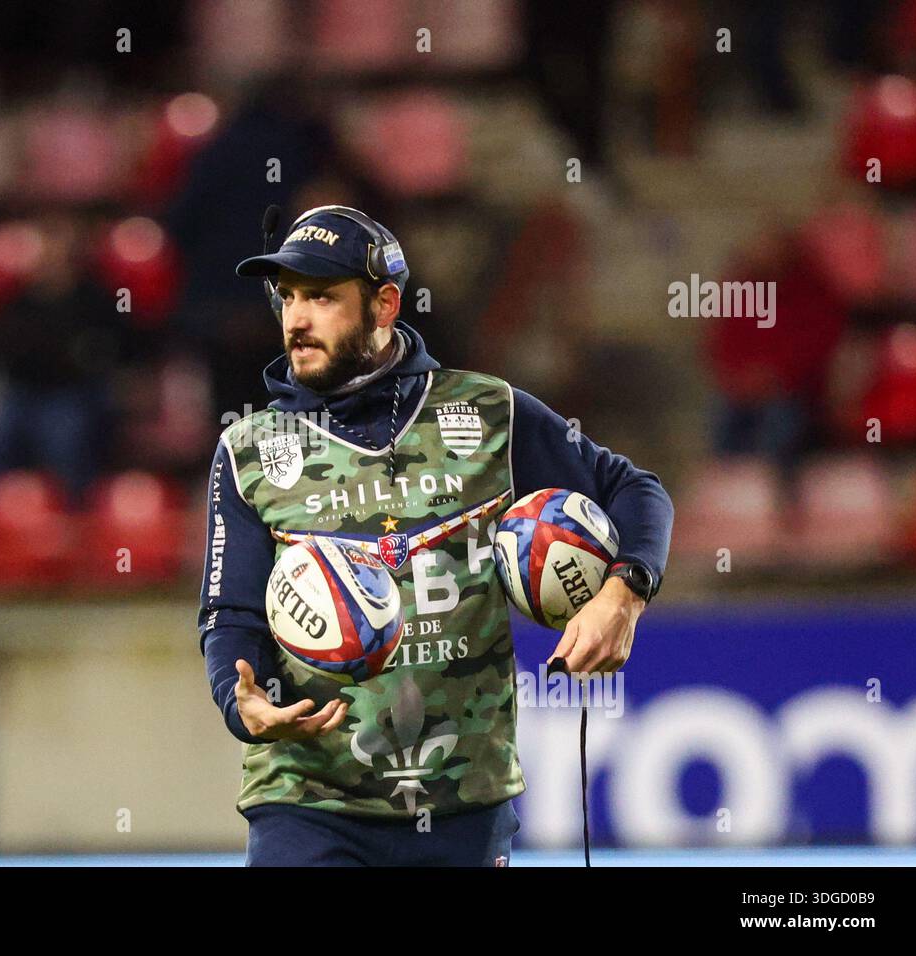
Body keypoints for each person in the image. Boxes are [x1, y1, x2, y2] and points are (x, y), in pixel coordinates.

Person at [197, 206, 673, 866]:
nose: (295, 321)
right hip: (307, 800)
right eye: (288, 298)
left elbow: (636, 491)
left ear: (386, 304)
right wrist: (240, 700)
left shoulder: (487, 413)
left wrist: (623, 594)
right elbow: (231, 615)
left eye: (322, 298)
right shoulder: (250, 449)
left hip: (462, 802)